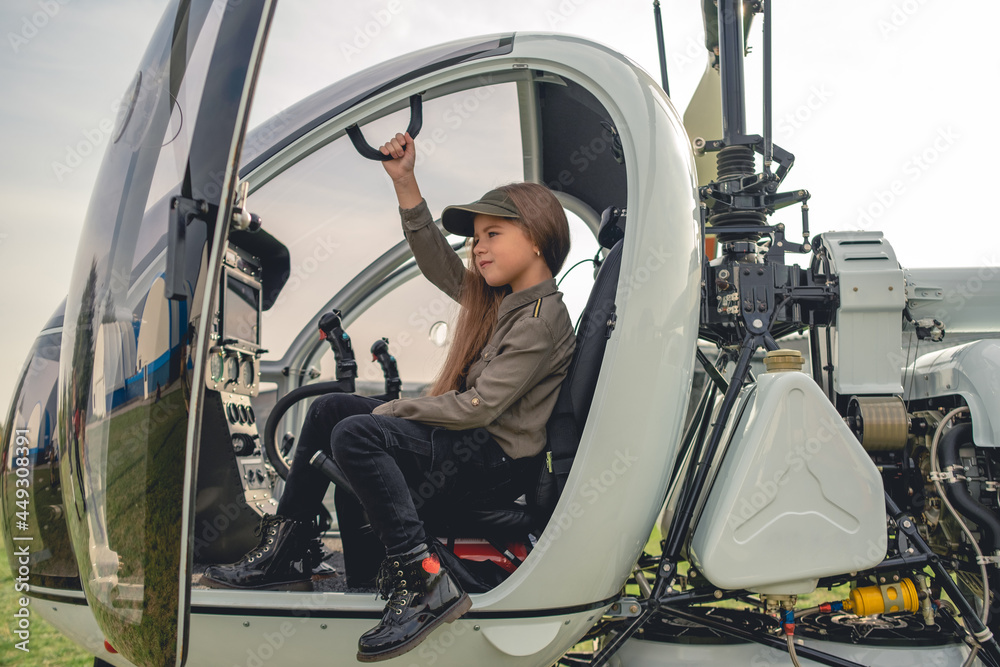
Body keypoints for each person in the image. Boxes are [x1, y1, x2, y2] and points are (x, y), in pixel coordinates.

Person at [201, 131, 576, 663]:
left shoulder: (539, 320)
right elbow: (439, 264)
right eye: (476, 238)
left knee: (358, 430)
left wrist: (394, 409)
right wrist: (405, 183)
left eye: (493, 234)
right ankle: (288, 547)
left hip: (492, 462)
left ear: (537, 240)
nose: (479, 247)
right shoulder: (504, 303)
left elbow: (479, 407)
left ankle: (425, 583)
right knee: (331, 409)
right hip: (473, 449)